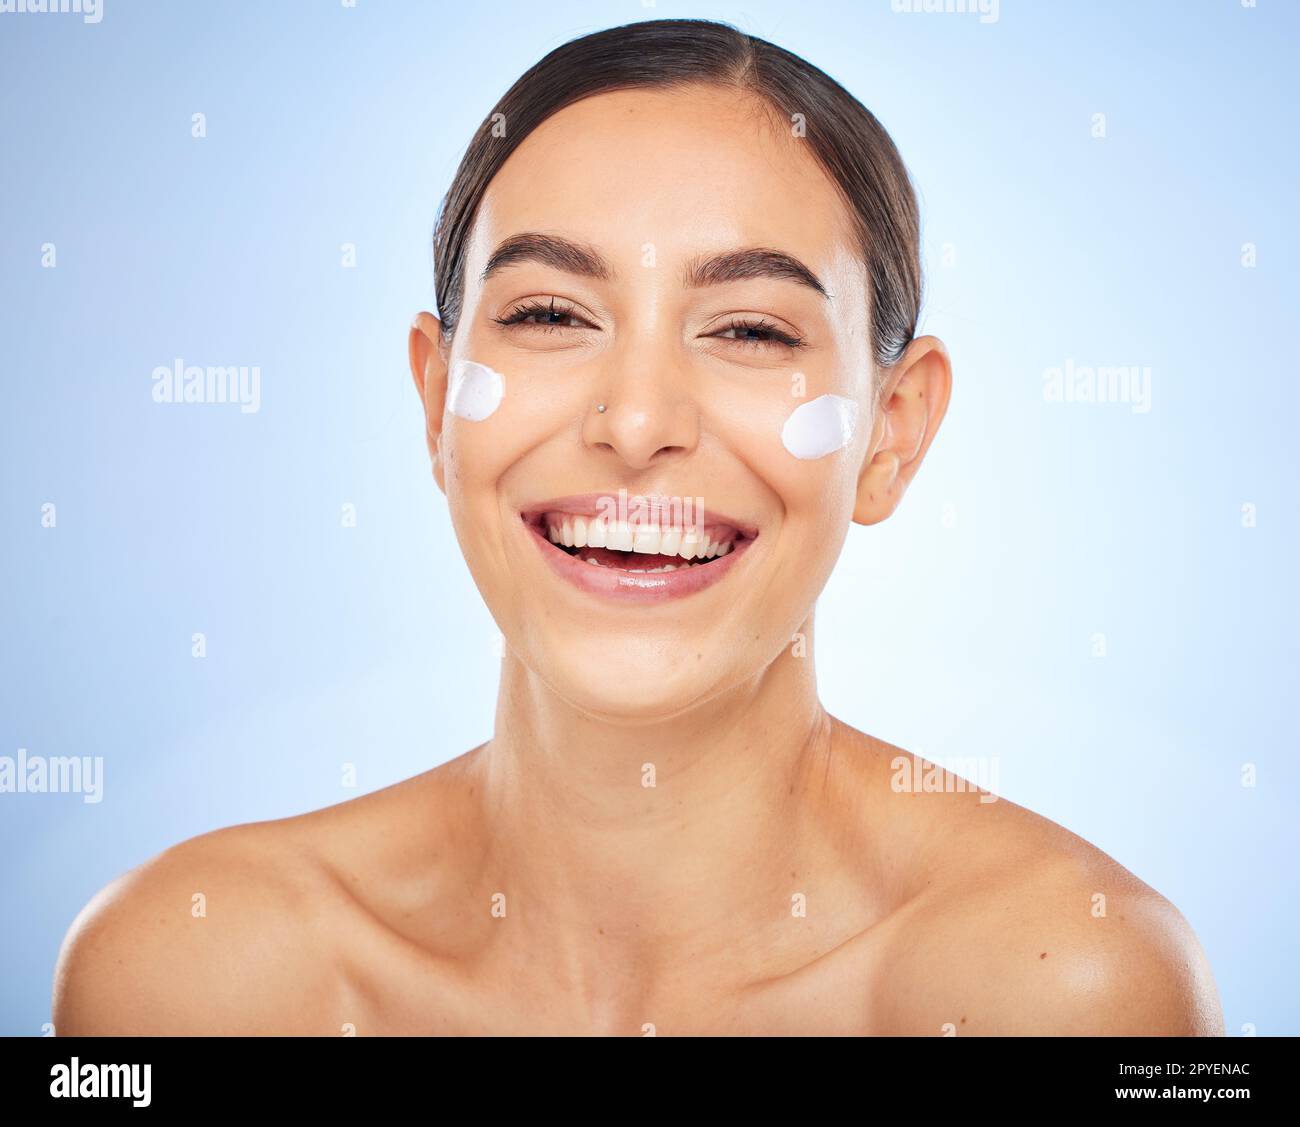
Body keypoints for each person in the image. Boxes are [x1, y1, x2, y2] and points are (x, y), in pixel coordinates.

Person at [52, 18, 1222, 1036]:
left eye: (751, 330)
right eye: (552, 312)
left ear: (893, 432)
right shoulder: (189, 974)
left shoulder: (1066, 985)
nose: (637, 420)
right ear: (432, 400)